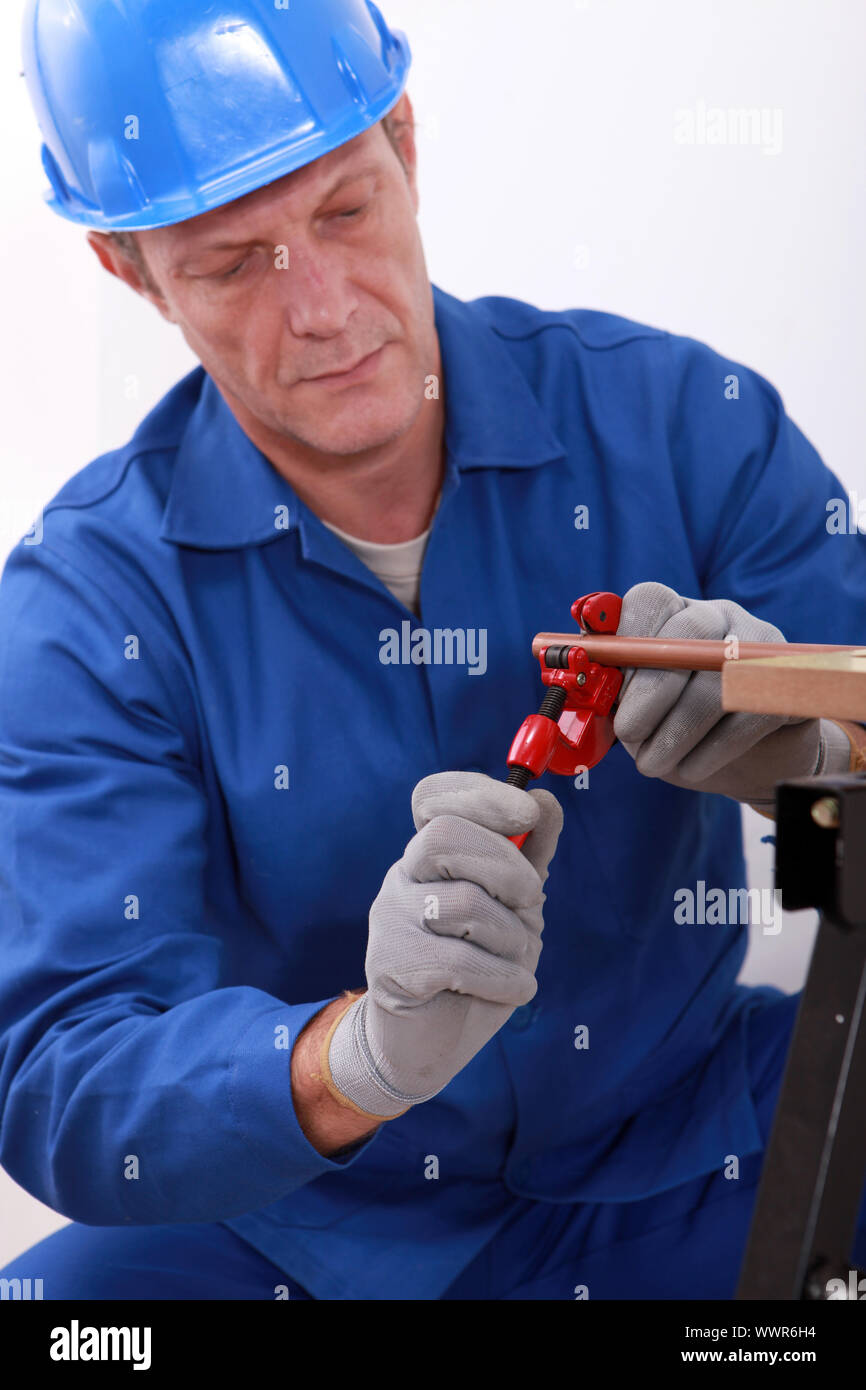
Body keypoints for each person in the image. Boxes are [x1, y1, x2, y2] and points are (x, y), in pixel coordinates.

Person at [2, 0, 865, 1301]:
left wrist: (804, 769)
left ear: (403, 142)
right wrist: (355, 1059)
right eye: (235, 264)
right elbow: (64, 1063)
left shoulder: (688, 424)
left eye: (343, 212)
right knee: (60, 1319)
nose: (322, 308)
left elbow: (852, 788)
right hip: (304, 1222)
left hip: (695, 1149)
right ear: (129, 267)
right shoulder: (86, 601)